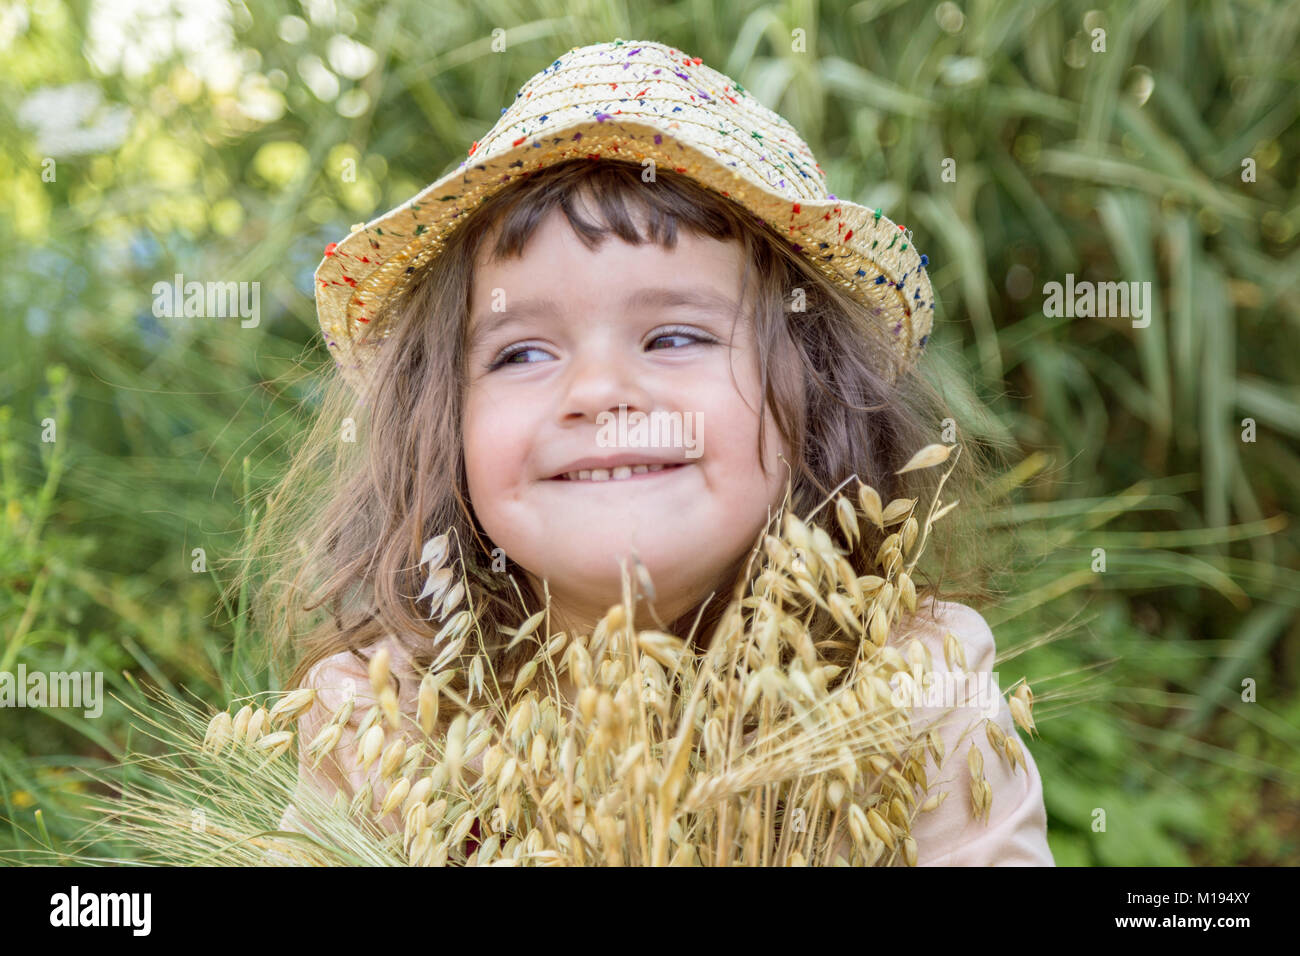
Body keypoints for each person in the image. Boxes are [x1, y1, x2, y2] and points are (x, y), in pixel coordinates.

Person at [258, 39, 1052, 865]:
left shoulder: (912, 683)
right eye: (522, 353)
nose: (598, 391)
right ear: (441, 427)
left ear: (813, 399)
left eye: (675, 336)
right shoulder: (383, 715)